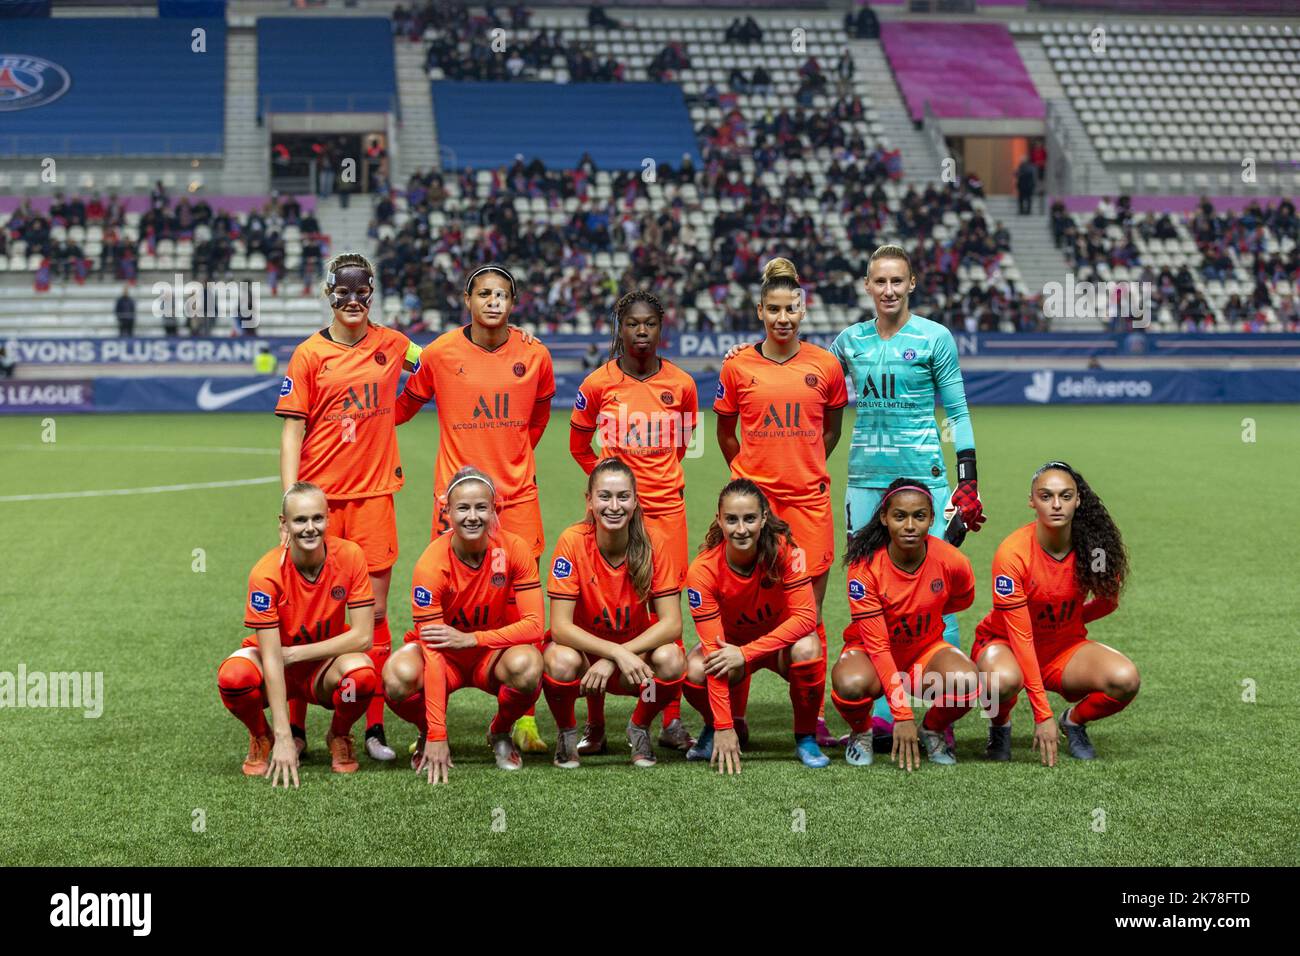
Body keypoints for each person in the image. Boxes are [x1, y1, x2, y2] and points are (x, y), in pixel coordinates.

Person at [828, 244, 985, 751]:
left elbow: (957, 411)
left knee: (935, 594)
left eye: (898, 281)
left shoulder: (935, 337)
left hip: (926, 481)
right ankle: (877, 715)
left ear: (912, 284)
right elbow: (804, 377)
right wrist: (746, 354)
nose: (889, 290)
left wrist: (968, 482)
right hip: (865, 482)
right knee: (868, 595)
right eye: (881, 281)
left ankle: (941, 720)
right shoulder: (848, 341)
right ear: (868, 286)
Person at [396, 263, 556, 753]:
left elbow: (540, 416)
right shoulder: (441, 354)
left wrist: (510, 463)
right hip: (455, 505)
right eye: (483, 293)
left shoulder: (535, 354)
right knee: (444, 603)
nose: (492, 302)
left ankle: (522, 719)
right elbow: (400, 408)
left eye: (502, 295)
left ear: (513, 302)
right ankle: (431, 726)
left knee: (521, 608)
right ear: (467, 299)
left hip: (518, 499)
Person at [276, 252, 420, 763]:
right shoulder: (309, 355)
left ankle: (373, 727)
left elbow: (436, 365)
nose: (353, 301)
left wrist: (393, 415)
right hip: (321, 503)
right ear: (328, 292)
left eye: (363, 291)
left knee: (375, 612)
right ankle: (294, 725)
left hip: (376, 498)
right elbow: (292, 428)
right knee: (306, 612)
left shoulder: (395, 344)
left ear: (373, 292)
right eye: (344, 291)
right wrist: (292, 503)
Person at [715, 258, 847, 748]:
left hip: (809, 509)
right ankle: (736, 716)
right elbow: (726, 435)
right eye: (774, 309)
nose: (783, 318)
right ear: (759, 311)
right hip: (755, 510)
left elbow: (829, 431)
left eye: (791, 309)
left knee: (807, 616)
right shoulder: (737, 365)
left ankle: (810, 723)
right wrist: (751, 478)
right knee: (740, 610)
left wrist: (802, 464)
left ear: (803, 310)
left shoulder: (825, 365)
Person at [569, 289, 698, 753]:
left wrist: (652, 483)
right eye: (632, 324)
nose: (641, 332)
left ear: (661, 328)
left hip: (666, 511)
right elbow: (579, 446)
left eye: (650, 324)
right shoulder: (597, 384)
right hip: (615, 516)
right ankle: (596, 725)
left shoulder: (681, 385)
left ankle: (670, 719)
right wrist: (610, 491)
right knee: (602, 611)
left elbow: (682, 446)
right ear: (618, 328)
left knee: (665, 615)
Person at [380, 467, 545, 783]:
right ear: (447, 512)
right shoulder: (431, 565)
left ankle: (499, 733)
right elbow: (433, 649)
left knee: (529, 666)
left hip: (489, 654)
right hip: (444, 656)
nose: (473, 516)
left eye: (481, 507)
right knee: (397, 676)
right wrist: (438, 733)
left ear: (494, 510)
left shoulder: (514, 549)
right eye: (463, 508)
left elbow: (535, 626)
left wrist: (473, 639)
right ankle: (426, 734)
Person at [973, 461, 1137, 763]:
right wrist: (1041, 714)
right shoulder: (1012, 554)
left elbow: (1108, 601)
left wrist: (1072, 621)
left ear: (1078, 500)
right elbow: (1022, 637)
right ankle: (1000, 725)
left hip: (1063, 648)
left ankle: (1073, 721)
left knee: (1125, 679)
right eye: (1046, 496)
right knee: (1001, 680)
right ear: (1032, 501)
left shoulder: (1094, 550)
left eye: (1065, 496)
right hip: (1006, 643)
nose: (1056, 505)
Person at [216, 482, 379, 783]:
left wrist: (296, 653)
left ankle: (339, 735)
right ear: (284, 523)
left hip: (321, 667)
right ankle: (261, 736)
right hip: (273, 664)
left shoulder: (351, 556)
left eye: (317, 518)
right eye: (300, 520)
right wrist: (283, 736)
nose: (310, 528)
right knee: (234, 678)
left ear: (329, 518)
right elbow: (272, 657)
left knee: (362, 678)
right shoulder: (265, 574)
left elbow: (363, 637)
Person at [542, 459, 686, 768]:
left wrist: (616, 657)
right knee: (559, 659)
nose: (614, 505)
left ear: (636, 501)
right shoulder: (572, 541)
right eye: (605, 496)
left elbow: (673, 623)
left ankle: (639, 727)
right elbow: (560, 627)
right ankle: (568, 733)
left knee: (672, 658)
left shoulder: (655, 543)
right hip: (586, 662)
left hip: (634, 664)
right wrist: (612, 654)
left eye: (623, 496)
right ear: (589, 500)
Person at [681, 479, 828, 772]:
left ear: (763, 518)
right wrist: (723, 726)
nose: (741, 529)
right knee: (694, 670)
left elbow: (805, 618)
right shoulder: (703, 570)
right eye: (732, 520)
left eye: (749, 518)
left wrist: (746, 653)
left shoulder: (788, 552)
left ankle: (805, 736)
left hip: (779, 645)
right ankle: (716, 726)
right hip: (728, 649)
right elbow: (713, 649)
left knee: (809, 647)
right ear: (719, 520)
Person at [833, 479, 979, 769]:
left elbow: (962, 598)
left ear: (932, 519)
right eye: (900, 516)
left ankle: (933, 729)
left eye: (919, 516)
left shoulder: (952, 560)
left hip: (923, 653)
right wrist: (902, 715)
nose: (910, 525)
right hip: (870, 654)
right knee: (849, 683)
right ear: (885, 518)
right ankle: (861, 732)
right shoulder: (864, 568)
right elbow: (877, 644)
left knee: (968, 680)